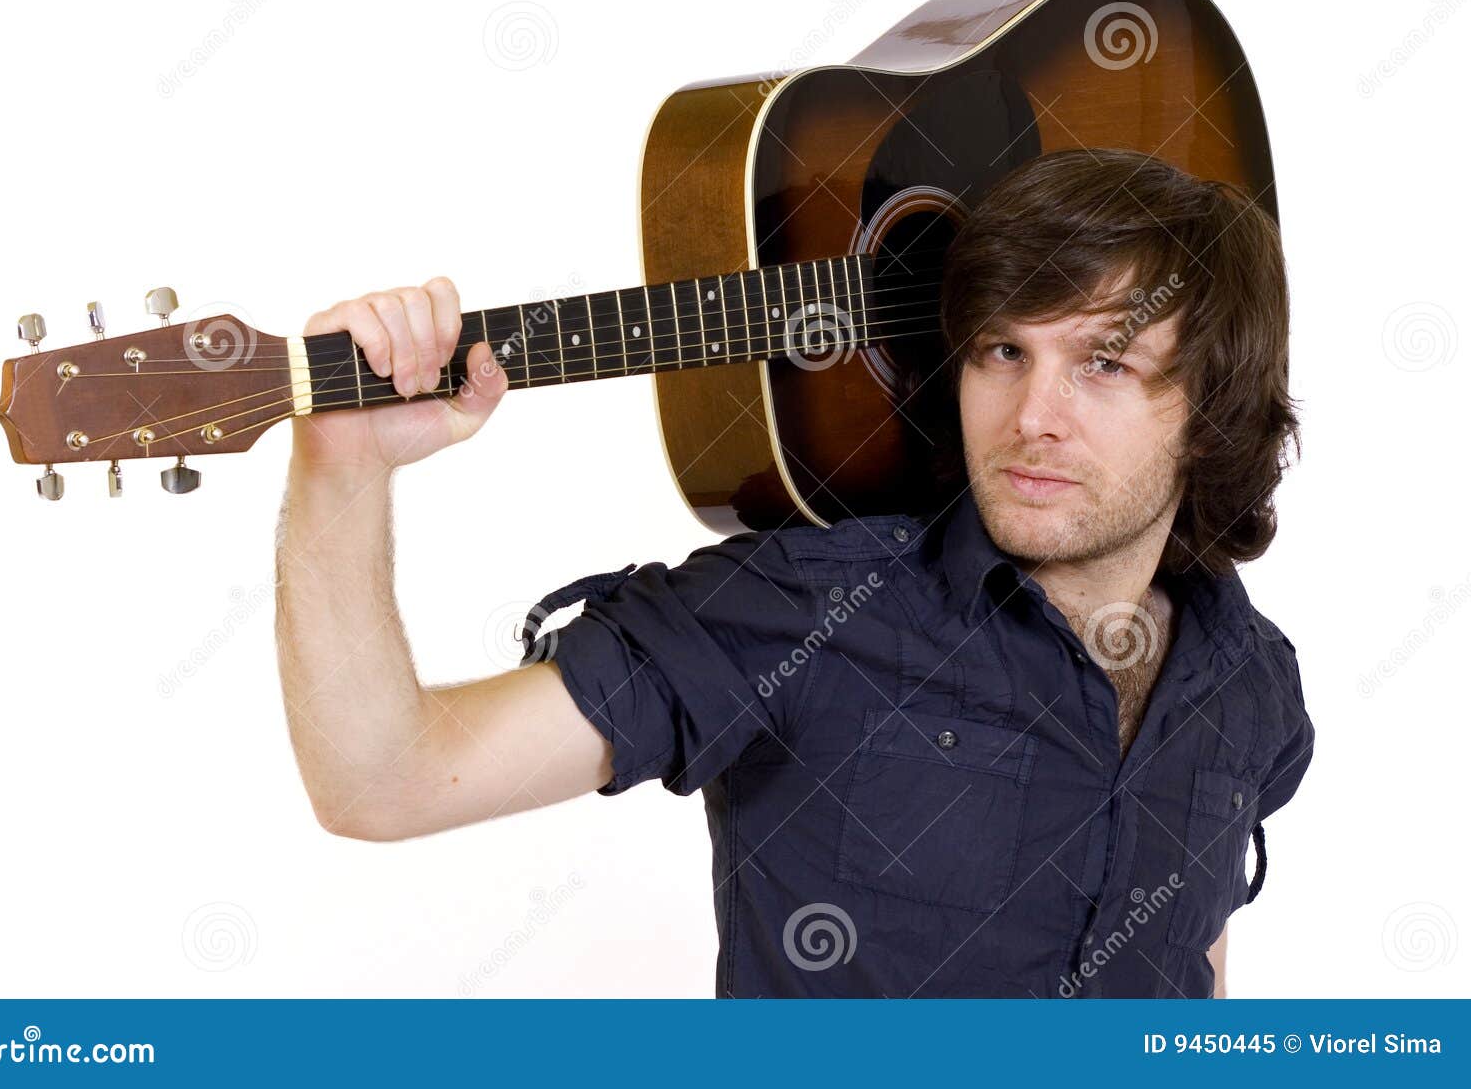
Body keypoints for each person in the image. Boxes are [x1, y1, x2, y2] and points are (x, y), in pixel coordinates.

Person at [273, 148, 1316, 998]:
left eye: (1101, 362)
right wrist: (345, 468)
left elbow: (1192, 963)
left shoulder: (1247, 680)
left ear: (1211, 411)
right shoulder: (803, 611)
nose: (1031, 414)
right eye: (1001, 351)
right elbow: (383, 778)